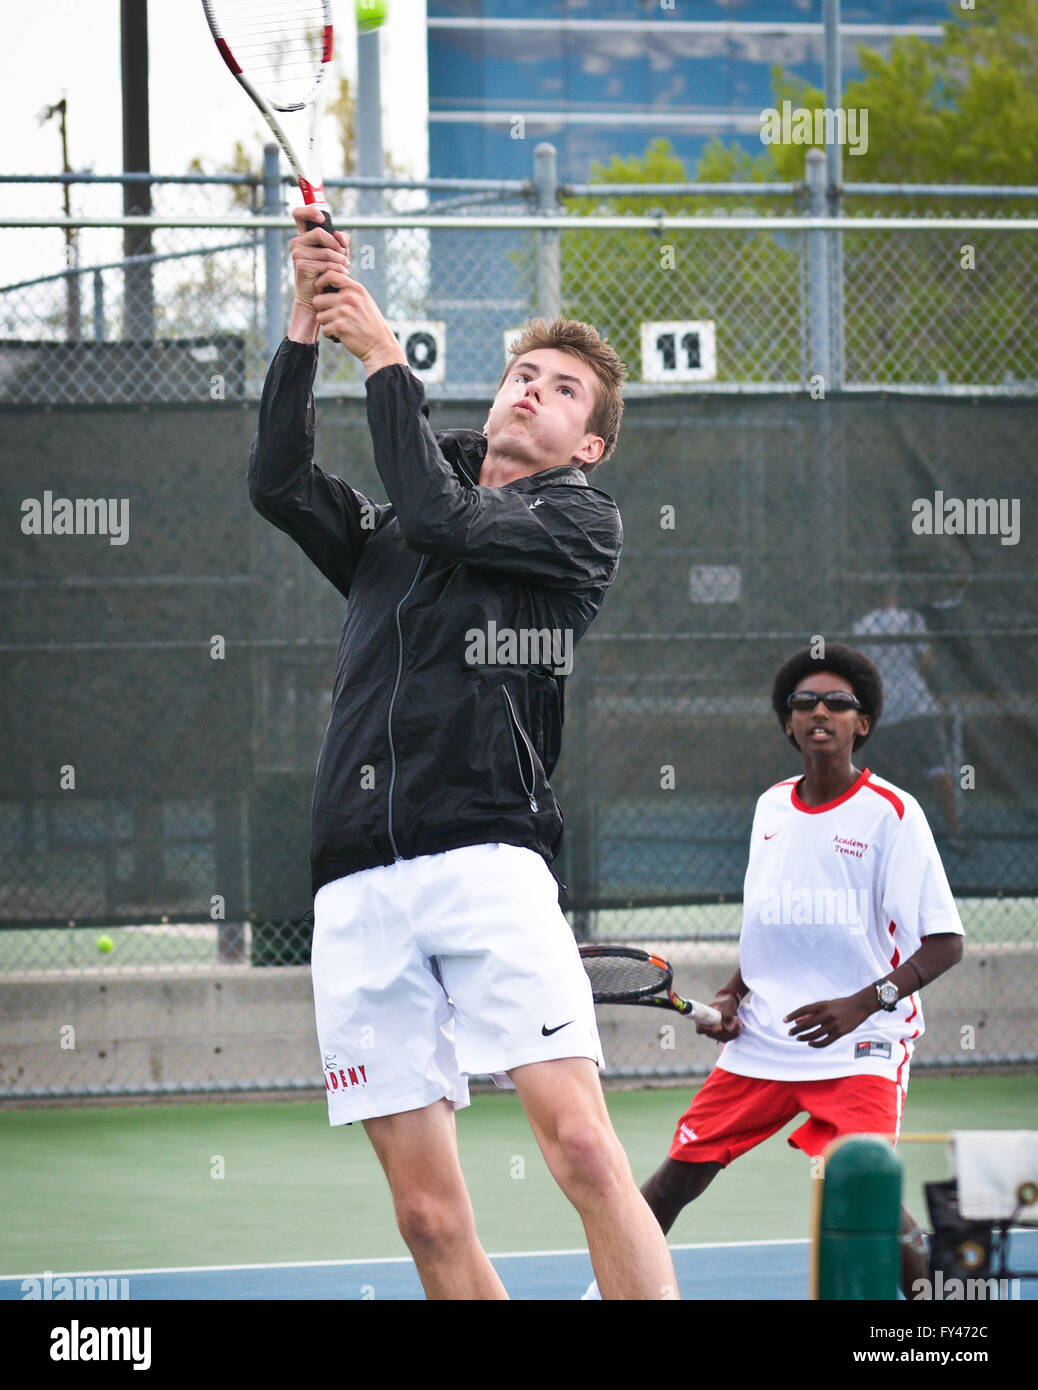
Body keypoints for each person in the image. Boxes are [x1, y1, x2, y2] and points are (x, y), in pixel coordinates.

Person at [247, 207, 678, 1300]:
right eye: (521, 372)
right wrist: (305, 328)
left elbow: (445, 516)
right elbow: (279, 482)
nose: (531, 386)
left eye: (562, 387)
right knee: (428, 1215)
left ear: (588, 443)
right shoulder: (394, 526)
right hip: (354, 878)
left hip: (488, 857)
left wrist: (384, 354)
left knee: (582, 1148)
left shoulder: (581, 525)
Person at [583, 642, 964, 1299]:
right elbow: (773, 922)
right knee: (676, 1179)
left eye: (838, 703)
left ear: (862, 723)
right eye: (804, 703)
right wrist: (736, 988)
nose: (820, 711)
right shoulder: (770, 808)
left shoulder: (894, 815)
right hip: (762, 1042)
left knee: (865, 1192)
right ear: (788, 723)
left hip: (860, 1045)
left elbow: (945, 943)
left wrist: (863, 1001)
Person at [852, 585, 964, 845]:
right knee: (938, 767)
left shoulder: (861, 626)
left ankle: (881, 836)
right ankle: (954, 831)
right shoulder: (911, 620)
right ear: (893, 596)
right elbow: (926, 662)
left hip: (885, 709)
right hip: (917, 706)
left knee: (880, 776)